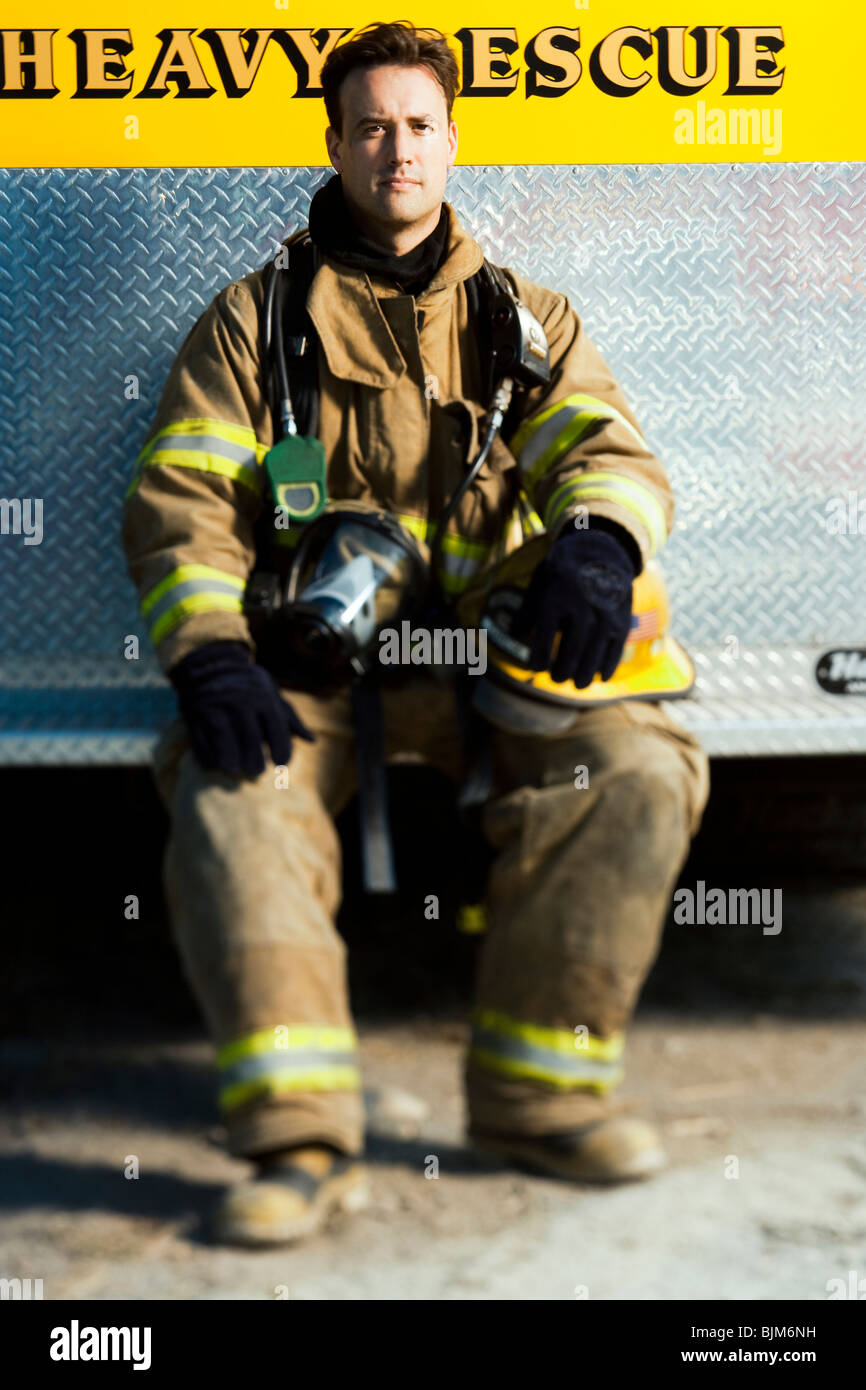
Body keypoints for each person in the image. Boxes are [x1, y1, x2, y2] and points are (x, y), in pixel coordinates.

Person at [122, 21, 710, 1247]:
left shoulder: (525, 317)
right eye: (372, 126)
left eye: (419, 126)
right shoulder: (251, 323)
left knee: (640, 768)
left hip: (491, 664)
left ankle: (538, 1100)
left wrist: (597, 545)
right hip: (312, 671)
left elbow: (608, 454)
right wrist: (213, 654)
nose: (397, 149)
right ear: (335, 142)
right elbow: (184, 502)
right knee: (234, 800)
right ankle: (298, 1137)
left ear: (451, 142)